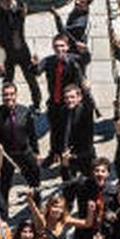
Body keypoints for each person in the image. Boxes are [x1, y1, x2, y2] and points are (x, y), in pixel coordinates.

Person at [36, 34, 90, 163]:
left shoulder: (74, 59)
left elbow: (85, 60)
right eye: (56, 46)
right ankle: (54, 154)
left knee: (69, 131)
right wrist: (34, 64)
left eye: (62, 46)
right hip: (54, 103)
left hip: (69, 103)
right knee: (55, 131)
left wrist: (85, 51)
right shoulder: (48, 61)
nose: (59, 49)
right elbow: (37, 71)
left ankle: (70, 157)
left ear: (67, 47)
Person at [0, 0, 41, 111]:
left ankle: (36, 105)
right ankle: (7, 105)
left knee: (31, 80)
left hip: (23, 52)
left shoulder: (19, 9)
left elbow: (31, 0)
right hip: (7, 55)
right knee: (7, 82)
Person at [0, 82, 40, 206]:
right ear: (2, 96)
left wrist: (36, 152)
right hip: (6, 155)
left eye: (11, 94)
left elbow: (32, 134)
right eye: (5, 95)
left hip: (25, 152)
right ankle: (4, 213)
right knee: (3, 186)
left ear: (16, 95)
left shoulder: (25, 111)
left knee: (34, 181)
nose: (9, 97)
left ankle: (37, 207)